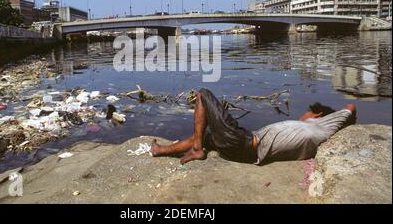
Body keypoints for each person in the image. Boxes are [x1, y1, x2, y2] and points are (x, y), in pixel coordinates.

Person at [150, 88, 357, 165]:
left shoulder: (324, 124)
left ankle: (197, 149)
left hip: (244, 143)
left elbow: (350, 106)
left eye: (308, 113)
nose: (302, 116)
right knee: (202, 137)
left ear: (317, 115)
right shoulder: (324, 130)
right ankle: (162, 150)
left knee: (203, 95)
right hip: (242, 148)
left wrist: (338, 117)